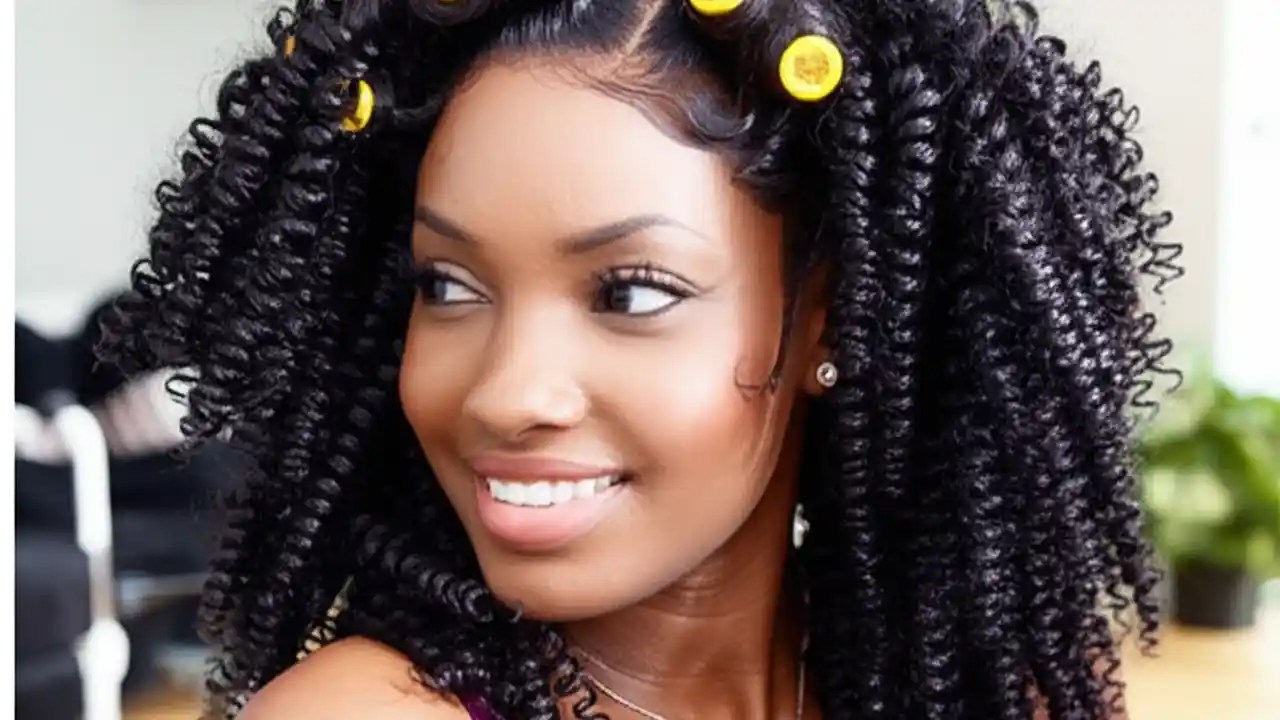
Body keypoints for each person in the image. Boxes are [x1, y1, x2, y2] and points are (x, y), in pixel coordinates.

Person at [97, 0, 1183, 717]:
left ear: (830, 320)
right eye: (448, 287)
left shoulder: (976, 694)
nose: (507, 391)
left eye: (630, 292)